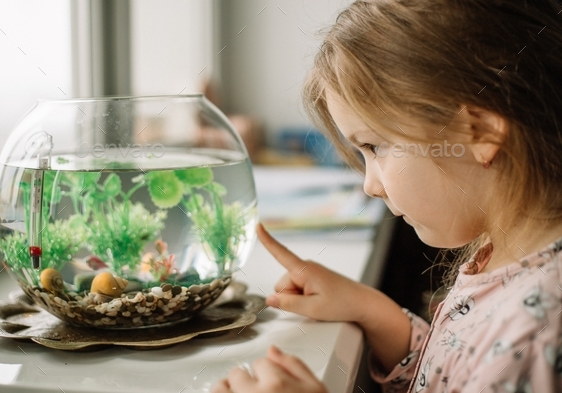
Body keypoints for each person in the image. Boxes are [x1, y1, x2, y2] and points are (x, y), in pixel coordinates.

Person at [211, 0, 562, 391]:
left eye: (375, 146)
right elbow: (450, 371)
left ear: (480, 132)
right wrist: (372, 311)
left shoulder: (533, 337)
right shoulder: (505, 252)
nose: (370, 185)